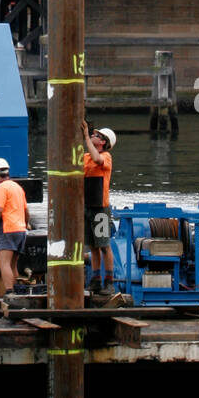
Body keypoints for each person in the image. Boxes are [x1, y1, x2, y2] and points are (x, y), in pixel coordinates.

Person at [0, 157, 31, 294]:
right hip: (21, 231)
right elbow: (26, 211)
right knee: (12, 264)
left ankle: (10, 293)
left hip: (9, 230)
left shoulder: (1, 188)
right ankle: (17, 293)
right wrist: (26, 225)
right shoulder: (17, 187)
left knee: (3, 263)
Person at [82, 123, 116, 289]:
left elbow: (98, 159)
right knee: (93, 246)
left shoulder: (106, 157)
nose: (92, 136)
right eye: (92, 135)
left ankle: (109, 280)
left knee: (103, 245)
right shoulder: (86, 157)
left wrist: (86, 137)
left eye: (96, 135)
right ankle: (95, 279)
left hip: (100, 208)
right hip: (87, 206)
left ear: (103, 142)